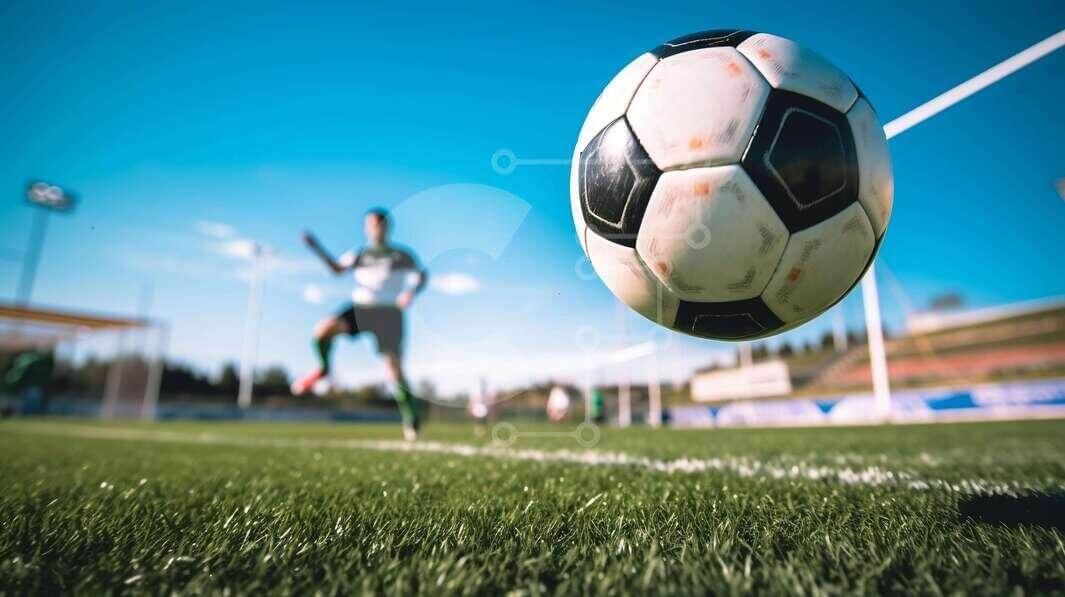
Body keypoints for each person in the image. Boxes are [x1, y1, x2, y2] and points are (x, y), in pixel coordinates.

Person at [291, 208, 428, 440]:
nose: (376, 228)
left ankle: (411, 416)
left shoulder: (402, 254)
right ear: (367, 228)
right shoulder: (360, 254)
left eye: (380, 223)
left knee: (394, 370)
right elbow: (336, 270)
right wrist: (316, 248)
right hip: (361, 309)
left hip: (389, 314)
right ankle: (323, 369)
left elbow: (422, 275)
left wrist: (411, 293)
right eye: (371, 224)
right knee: (323, 331)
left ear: (387, 226)